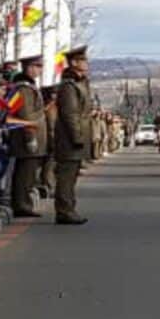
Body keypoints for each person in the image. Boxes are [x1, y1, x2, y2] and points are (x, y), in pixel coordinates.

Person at [53, 46, 93, 225]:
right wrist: (77, 137)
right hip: (69, 138)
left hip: (76, 135)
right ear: (74, 63)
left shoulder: (80, 83)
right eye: (83, 60)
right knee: (66, 176)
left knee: (72, 175)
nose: (86, 63)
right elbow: (70, 114)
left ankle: (69, 208)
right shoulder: (69, 86)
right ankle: (64, 210)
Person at [7, 55, 48, 218]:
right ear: (28, 68)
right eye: (37, 66)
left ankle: (23, 203)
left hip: (33, 134)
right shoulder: (24, 88)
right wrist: (30, 137)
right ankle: (21, 204)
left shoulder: (29, 87)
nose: (40, 70)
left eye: (40, 66)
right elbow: (26, 115)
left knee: (28, 173)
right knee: (25, 173)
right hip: (27, 136)